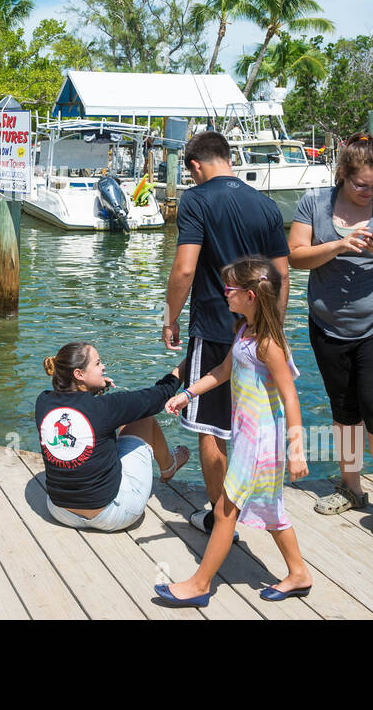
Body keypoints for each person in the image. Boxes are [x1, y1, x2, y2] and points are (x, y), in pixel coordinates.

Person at [154, 257, 311, 607]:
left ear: (251, 296)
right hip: (245, 437)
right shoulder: (244, 331)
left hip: (261, 443)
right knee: (271, 510)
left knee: (225, 510)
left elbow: (290, 396)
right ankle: (299, 573)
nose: (224, 294)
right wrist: (186, 394)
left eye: (230, 289)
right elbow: (223, 370)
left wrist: (297, 446)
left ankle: (200, 584)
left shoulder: (269, 344)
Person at [288, 133, 373, 536]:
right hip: (328, 324)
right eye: (361, 185)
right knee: (343, 411)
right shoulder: (315, 203)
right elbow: (295, 256)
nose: (370, 192)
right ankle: (351, 487)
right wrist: (339, 245)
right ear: (343, 175)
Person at [162, 130, 289, 534]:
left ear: (195, 165)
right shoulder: (266, 205)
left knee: (210, 428)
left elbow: (184, 268)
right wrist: (271, 331)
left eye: (192, 172)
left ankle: (221, 516)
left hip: (215, 325)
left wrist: (170, 316)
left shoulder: (196, 199)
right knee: (250, 425)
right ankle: (252, 510)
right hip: (258, 332)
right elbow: (282, 275)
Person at [36, 343, 190, 532]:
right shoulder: (106, 407)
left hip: (60, 511)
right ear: (79, 374)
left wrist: (93, 389)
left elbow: (80, 406)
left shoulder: (43, 402)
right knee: (143, 419)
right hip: (111, 516)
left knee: (115, 425)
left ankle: (168, 465)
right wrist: (189, 361)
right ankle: (169, 466)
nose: (103, 367)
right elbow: (160, 394)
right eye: (98, 363)